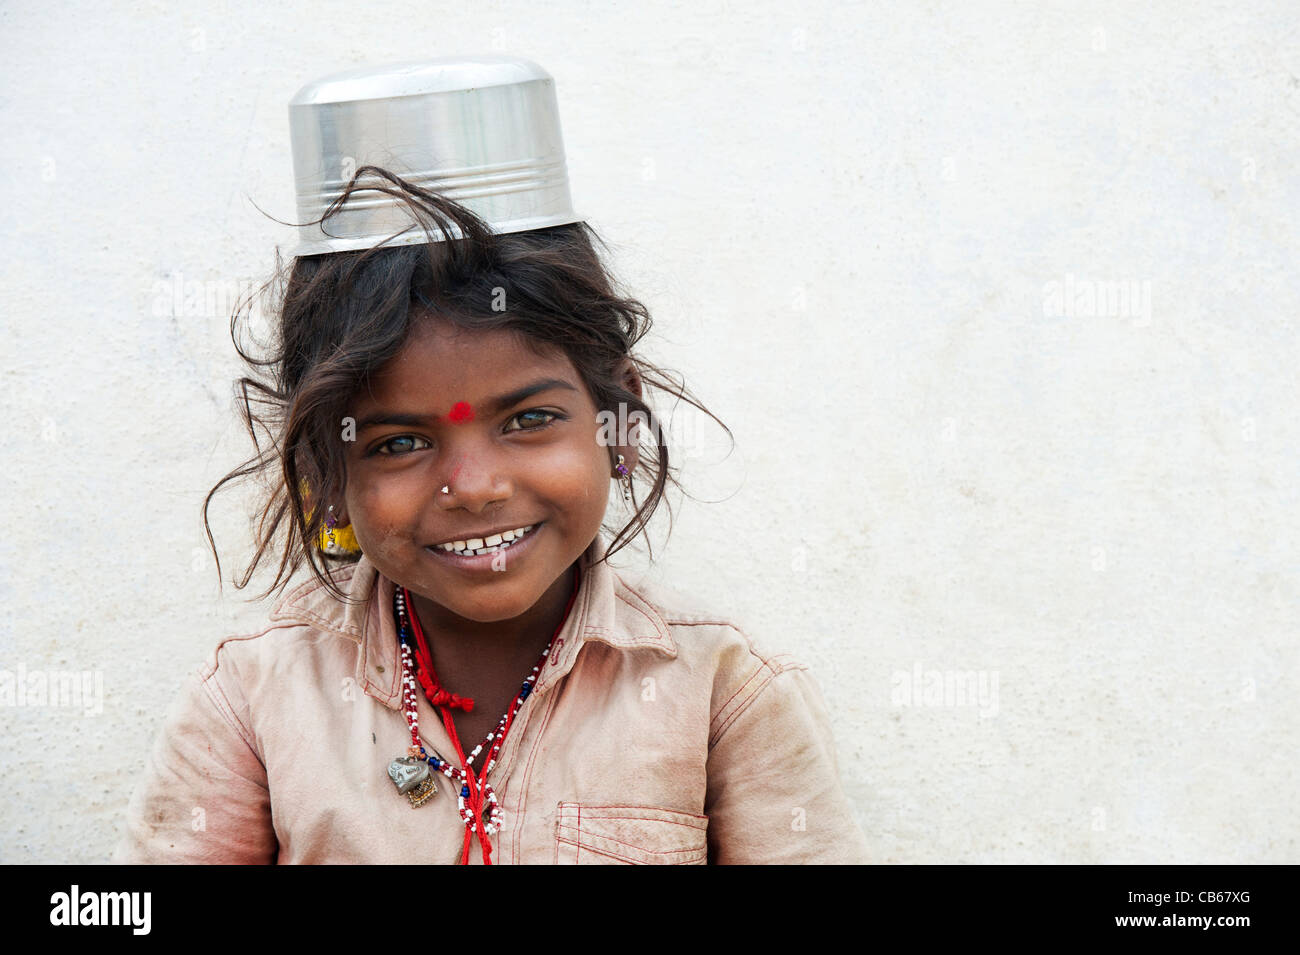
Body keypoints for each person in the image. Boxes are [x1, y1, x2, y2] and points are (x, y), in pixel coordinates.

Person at [113, 56, 870, 865]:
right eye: (398, 442)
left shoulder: (724, 696)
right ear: (325, 476)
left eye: (530, 419)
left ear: (614, 420)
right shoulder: (254, 700)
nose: (474, 487)